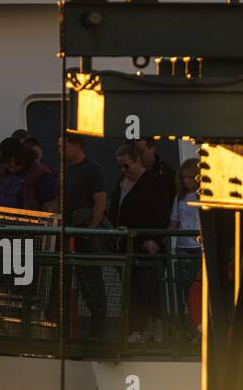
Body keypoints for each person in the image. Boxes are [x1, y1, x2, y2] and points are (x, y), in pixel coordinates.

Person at [111, 142, 174, 342]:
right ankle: (136, 329)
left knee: (148, 288)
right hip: (125, 245)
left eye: (126, 165)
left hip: (146, 246)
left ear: (137, 160)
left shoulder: (154, 183)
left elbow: (161, 214)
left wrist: (155, 240)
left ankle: (158, 326)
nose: (123, 170)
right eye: (119, 167)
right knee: (131, 289)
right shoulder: (121, 182)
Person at [60, 133, 110, 339]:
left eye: (63, 146)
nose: (60, 151)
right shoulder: (67, 170)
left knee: (92, 282)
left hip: (84, 235)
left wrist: (90, 229)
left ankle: (99, 330)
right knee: (80, 283)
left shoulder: (92, 169)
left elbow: (100, 201)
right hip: (70, 233)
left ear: (76, 146)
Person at [168, 158, 202, 337]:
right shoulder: (180, 197)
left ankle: (199, 327)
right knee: (184, 288)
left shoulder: (205, 196)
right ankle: (186, 329)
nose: (187, 181)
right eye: (184, 178)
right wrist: (165, 240)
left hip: (200, 248)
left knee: (199, 289)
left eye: (190, 177)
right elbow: (174, 222)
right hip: (183, 247)